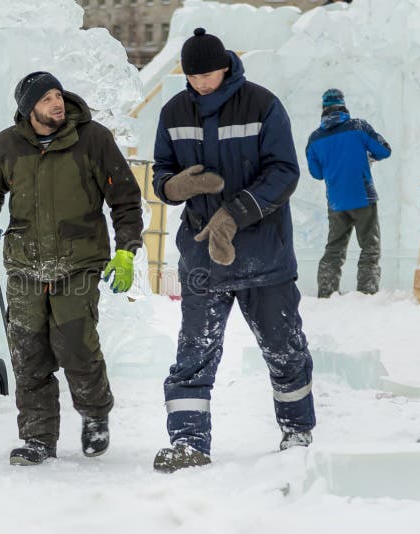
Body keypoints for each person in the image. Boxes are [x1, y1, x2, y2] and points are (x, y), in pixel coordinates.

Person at [151, 29, 316, 473]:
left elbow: (284, 171)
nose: (199, 83)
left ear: (225, 65)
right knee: (194, 353)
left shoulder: (263, 104)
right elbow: (161, 172)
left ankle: (297, 431)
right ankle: (189, 442)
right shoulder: (173, 111)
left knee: (284, 348)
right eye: (191, 76)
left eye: (206, 74)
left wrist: (236, 213)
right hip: (203, 258)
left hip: (265, 255)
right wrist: (173, 186)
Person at [0, 71, 143, 466]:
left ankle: (95, 413)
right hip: (25, 266)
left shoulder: (93, 139)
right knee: (28, 355)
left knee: (76, 347)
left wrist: (127, 251)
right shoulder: (7, 146)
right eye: (46, 99)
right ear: (29, 109)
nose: (56, 103)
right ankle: (38, 439)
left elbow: (126, 199)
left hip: (78, 263)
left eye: (58, 95)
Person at [306, 88, 392, 298]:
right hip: (363, 196)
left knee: (334, 249)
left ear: (324, 108)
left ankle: (326, 293)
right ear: (343, 105)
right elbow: (385, 150)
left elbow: (316, 173)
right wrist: (367, 156)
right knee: (369, 248)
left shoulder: (314, 139)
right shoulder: (358, 127)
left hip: (336, 201)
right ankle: (367, 293)